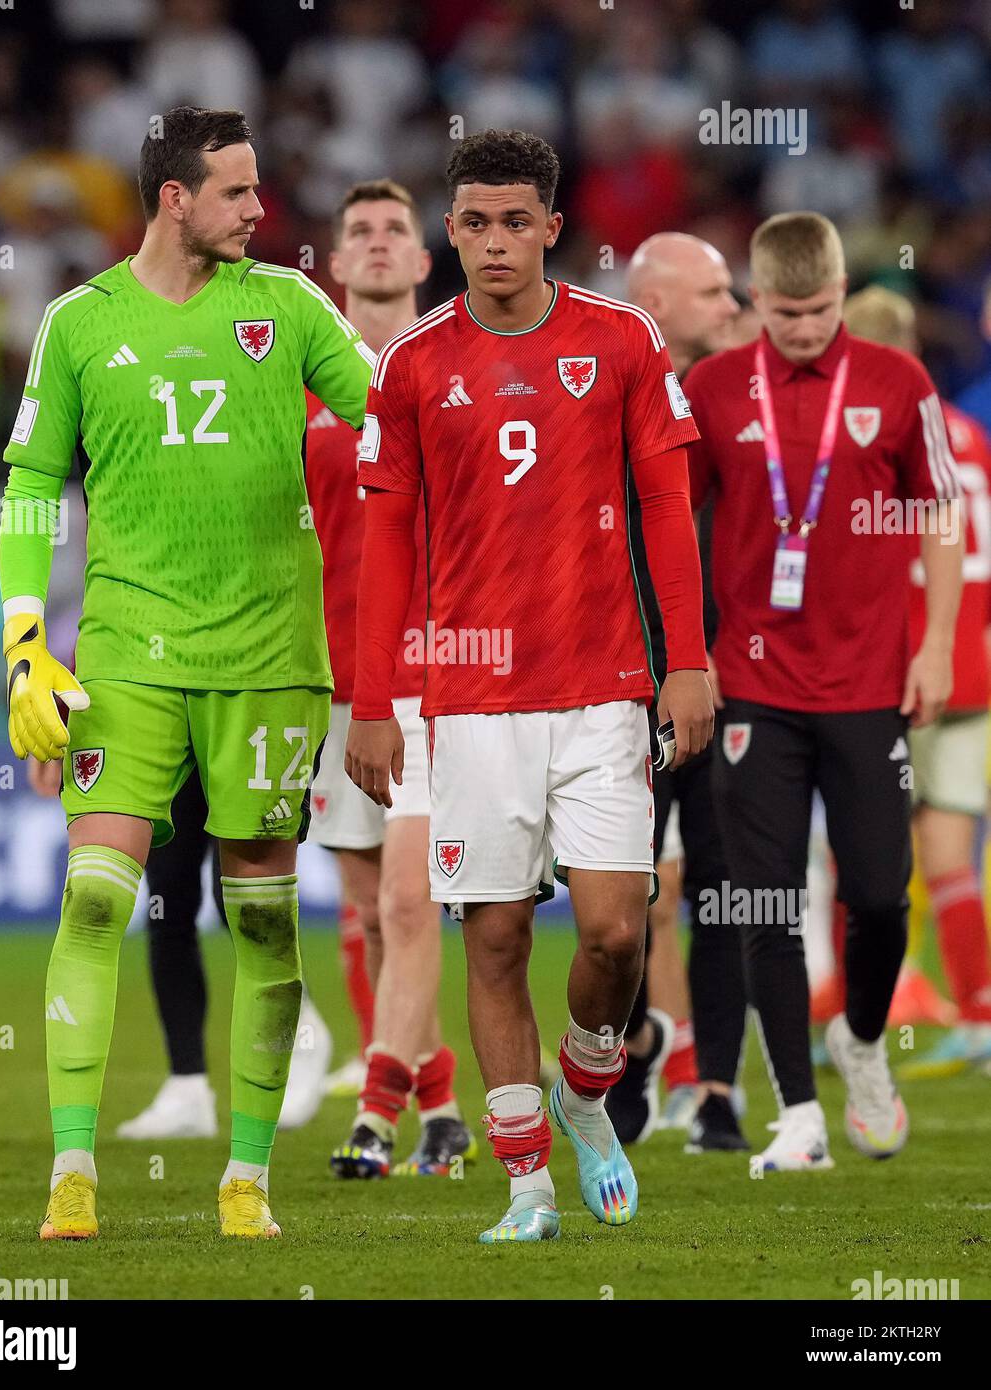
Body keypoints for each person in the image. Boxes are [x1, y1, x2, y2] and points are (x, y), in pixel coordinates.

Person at [0, 105, 373, 1240]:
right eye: (238, 193)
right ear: (174, 198)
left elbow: (388, 420)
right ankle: (74, 1170)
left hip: (268, 659)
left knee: (261, 921)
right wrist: (25, 639)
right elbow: (28, 487)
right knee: (97, 894)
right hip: (129, 651)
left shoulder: (290, 306)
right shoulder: (78, 322)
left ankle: (245, 1179)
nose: (261, 213)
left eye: (259, 192)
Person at [345, 128, 713, 1242]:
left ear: (552, 227)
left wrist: (687, 661)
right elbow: (384, 542)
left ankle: (587, 1090)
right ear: (448, 232)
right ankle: (525, 1185)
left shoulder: (622, 341)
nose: (494, 242)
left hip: (603, 689)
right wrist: (373, 697)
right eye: (474, 223)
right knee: (494, 935)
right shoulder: (412, 364)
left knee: (615, 933)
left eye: (516, 222)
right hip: (467, 701)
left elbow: (664, 510)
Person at [684, 212, 963, 1171]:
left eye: (821, 309)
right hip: (753, 685)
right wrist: (687, 652)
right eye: (788, 311)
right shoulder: (712, 387)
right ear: (757, 299)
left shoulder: (898, 382)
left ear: (843, 293)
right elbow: (669, 527)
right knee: (764, 904)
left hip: (868, 682)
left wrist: (934, 650)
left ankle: (865, 1041)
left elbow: (938, 516)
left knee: (880, 901)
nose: (805, 327)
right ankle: (799, 1113)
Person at [302, 179, 475, 1178]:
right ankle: (441, 1107)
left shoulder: (450, 373)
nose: (374, 243)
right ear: (335, 264)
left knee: (412, 904)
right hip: (331, 681)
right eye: (356, 230)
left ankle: (373, 1117)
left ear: (421, 262)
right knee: (368, 913)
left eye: (393, 231)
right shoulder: (297, 388)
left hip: (432, 677)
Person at [605, 232, 750, 1153]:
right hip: (630, 683)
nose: (734, 308)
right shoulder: (607, 397)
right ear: (657, 304)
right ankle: (629, 1054)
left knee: (730, 890)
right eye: (715, 292)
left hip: (735, 677)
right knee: (624, 895)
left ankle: (721, 1092)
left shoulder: (744, 401)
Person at [841, 286, 991, 1077]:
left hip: (902, 663)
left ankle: (866, 1008)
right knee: (950, 855)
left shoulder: (879, 432)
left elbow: (873, 558)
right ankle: (978, 1012)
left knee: (861, 849)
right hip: (973, 659)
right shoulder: (968, 431)